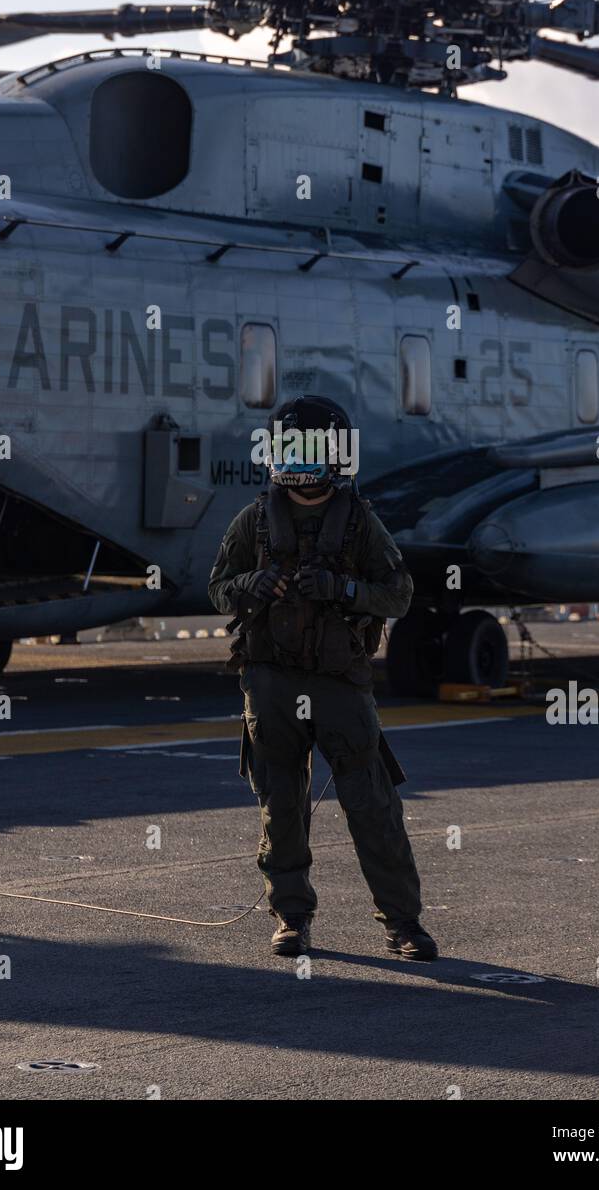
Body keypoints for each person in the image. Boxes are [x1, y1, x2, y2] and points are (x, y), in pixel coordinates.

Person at [208, 394, 437, 961]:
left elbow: (400, 594)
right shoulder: (256, 520)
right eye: (290, 447)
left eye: (310, 449)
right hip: (271, 682)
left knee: (373, 807)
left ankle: (403, 924)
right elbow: (218, 587)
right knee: (280, 806)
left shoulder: (359, 522)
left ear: (335, 455)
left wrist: (344, 591)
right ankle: (291, 918)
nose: (299, 460)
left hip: (338, 682)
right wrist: (251, 587)